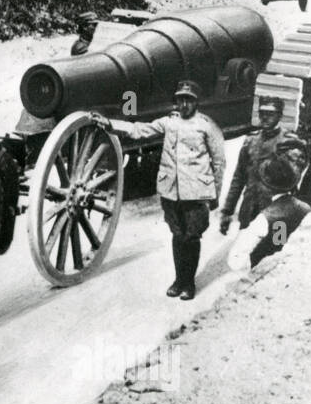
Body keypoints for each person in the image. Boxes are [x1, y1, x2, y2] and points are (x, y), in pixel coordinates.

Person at [92, 79, 225, 300]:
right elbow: (139, 130)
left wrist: (214, 194)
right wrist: (109, 123)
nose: (184, 106)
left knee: (191, 238)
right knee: (177, 235)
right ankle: (178, 280)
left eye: (188, 101)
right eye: (180, 100)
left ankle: (189, 283)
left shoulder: (207, 126)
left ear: (196, 103)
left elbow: (219, 162)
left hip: (196, 193)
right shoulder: (169, 123)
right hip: (171, 191)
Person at [228, 157, 311, 270]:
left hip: (266, 270)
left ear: (267, 187)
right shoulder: (305, 207)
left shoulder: (265, 218)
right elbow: (279, 239)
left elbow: (235, 261)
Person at [220, 96, 286, 234]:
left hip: (276, 213)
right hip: (249, 210)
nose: (265, 118)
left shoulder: (288, 143)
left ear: (279, 115)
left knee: (278, 249)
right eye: (262, 113)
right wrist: (227, 211)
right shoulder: (250, 141)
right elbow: (238, 178)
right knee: (244, 250)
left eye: (270, 114)